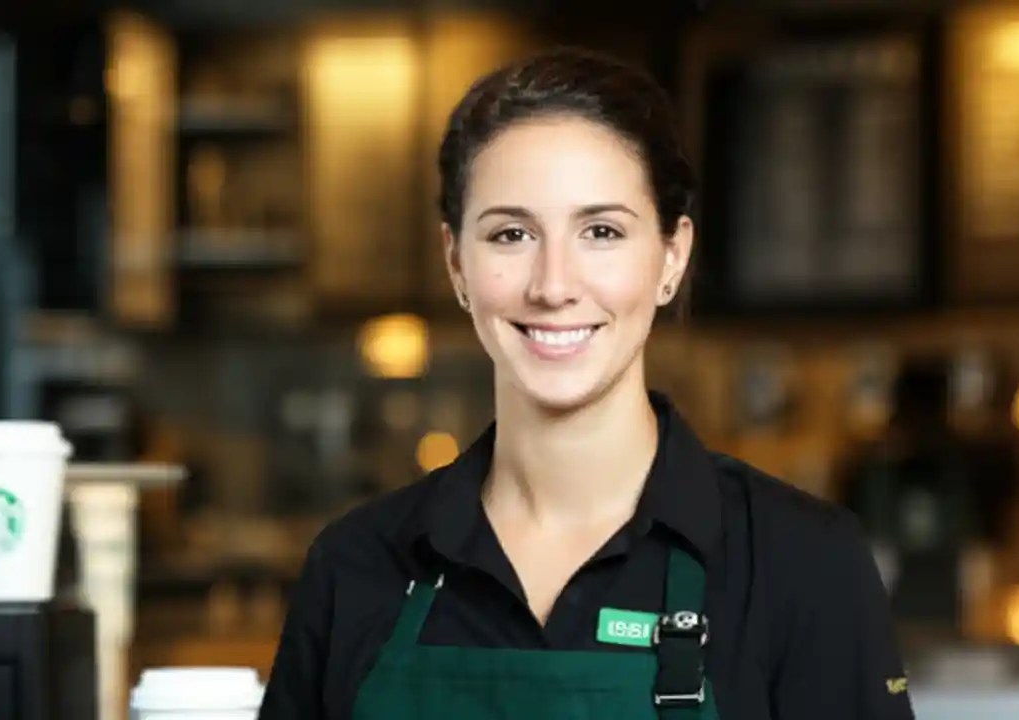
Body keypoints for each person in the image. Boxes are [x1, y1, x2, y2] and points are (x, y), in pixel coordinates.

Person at [259, 47, 914, 720]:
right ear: (457, 264)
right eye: (511, 234)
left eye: (601, 231)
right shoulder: (354, 566)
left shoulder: (803, 564)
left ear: (672, 256)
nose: (553, 286)